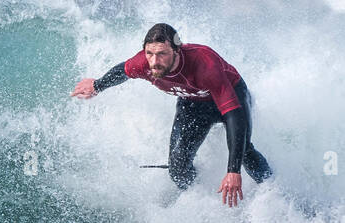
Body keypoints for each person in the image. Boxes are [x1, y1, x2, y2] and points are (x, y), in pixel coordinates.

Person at [71, 23, 272, 207]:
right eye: (149, 53)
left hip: (232, 95)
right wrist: (97, 85)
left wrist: (233, 171)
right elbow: (121, 71)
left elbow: (233, 116)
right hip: (193, 104)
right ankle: (200, 198)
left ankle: (272, 191)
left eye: (162, 54)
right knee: (177, 166)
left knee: (244, 151)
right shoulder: (143, 63)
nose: (154, 62)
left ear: (177, 50)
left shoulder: (204, 64)